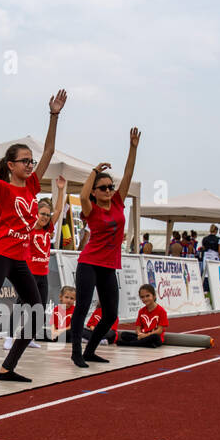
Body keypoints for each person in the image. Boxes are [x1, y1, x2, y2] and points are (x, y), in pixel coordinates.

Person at [0, 90, 68, 392]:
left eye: (31, 161)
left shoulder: (32, 186)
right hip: (1, 254)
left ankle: (8, 367)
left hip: (20, 257)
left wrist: (54, 116)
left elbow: (48, 152)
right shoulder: (4, 188)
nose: (31, 165)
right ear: (10, 164)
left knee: (36, 307)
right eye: (24, 161)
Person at [71, 129, 140, 368]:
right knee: (82, 307)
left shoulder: (118, 202)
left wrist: (132, 148)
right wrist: (93, 172)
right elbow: (81, 194)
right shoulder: (91, 209)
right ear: (94, 192)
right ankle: (76, 352)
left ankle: (90, 351)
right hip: (89, 263)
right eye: (103, 188)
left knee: (110, 314)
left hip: (109, 266)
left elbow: (129, 174)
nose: (109, 190)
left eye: (110, 186)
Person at [24, 179, 68, 343]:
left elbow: (58, 210)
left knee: (39, 308)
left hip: (43, 274)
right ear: (35, 213)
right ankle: (10, 337)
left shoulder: (48, 229)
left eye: (47, 215)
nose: (45, 217)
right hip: (28, 274)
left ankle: (29, 338)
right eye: (42, 214)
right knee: (21, 306)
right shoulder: (28, 229)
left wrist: (60, 190)